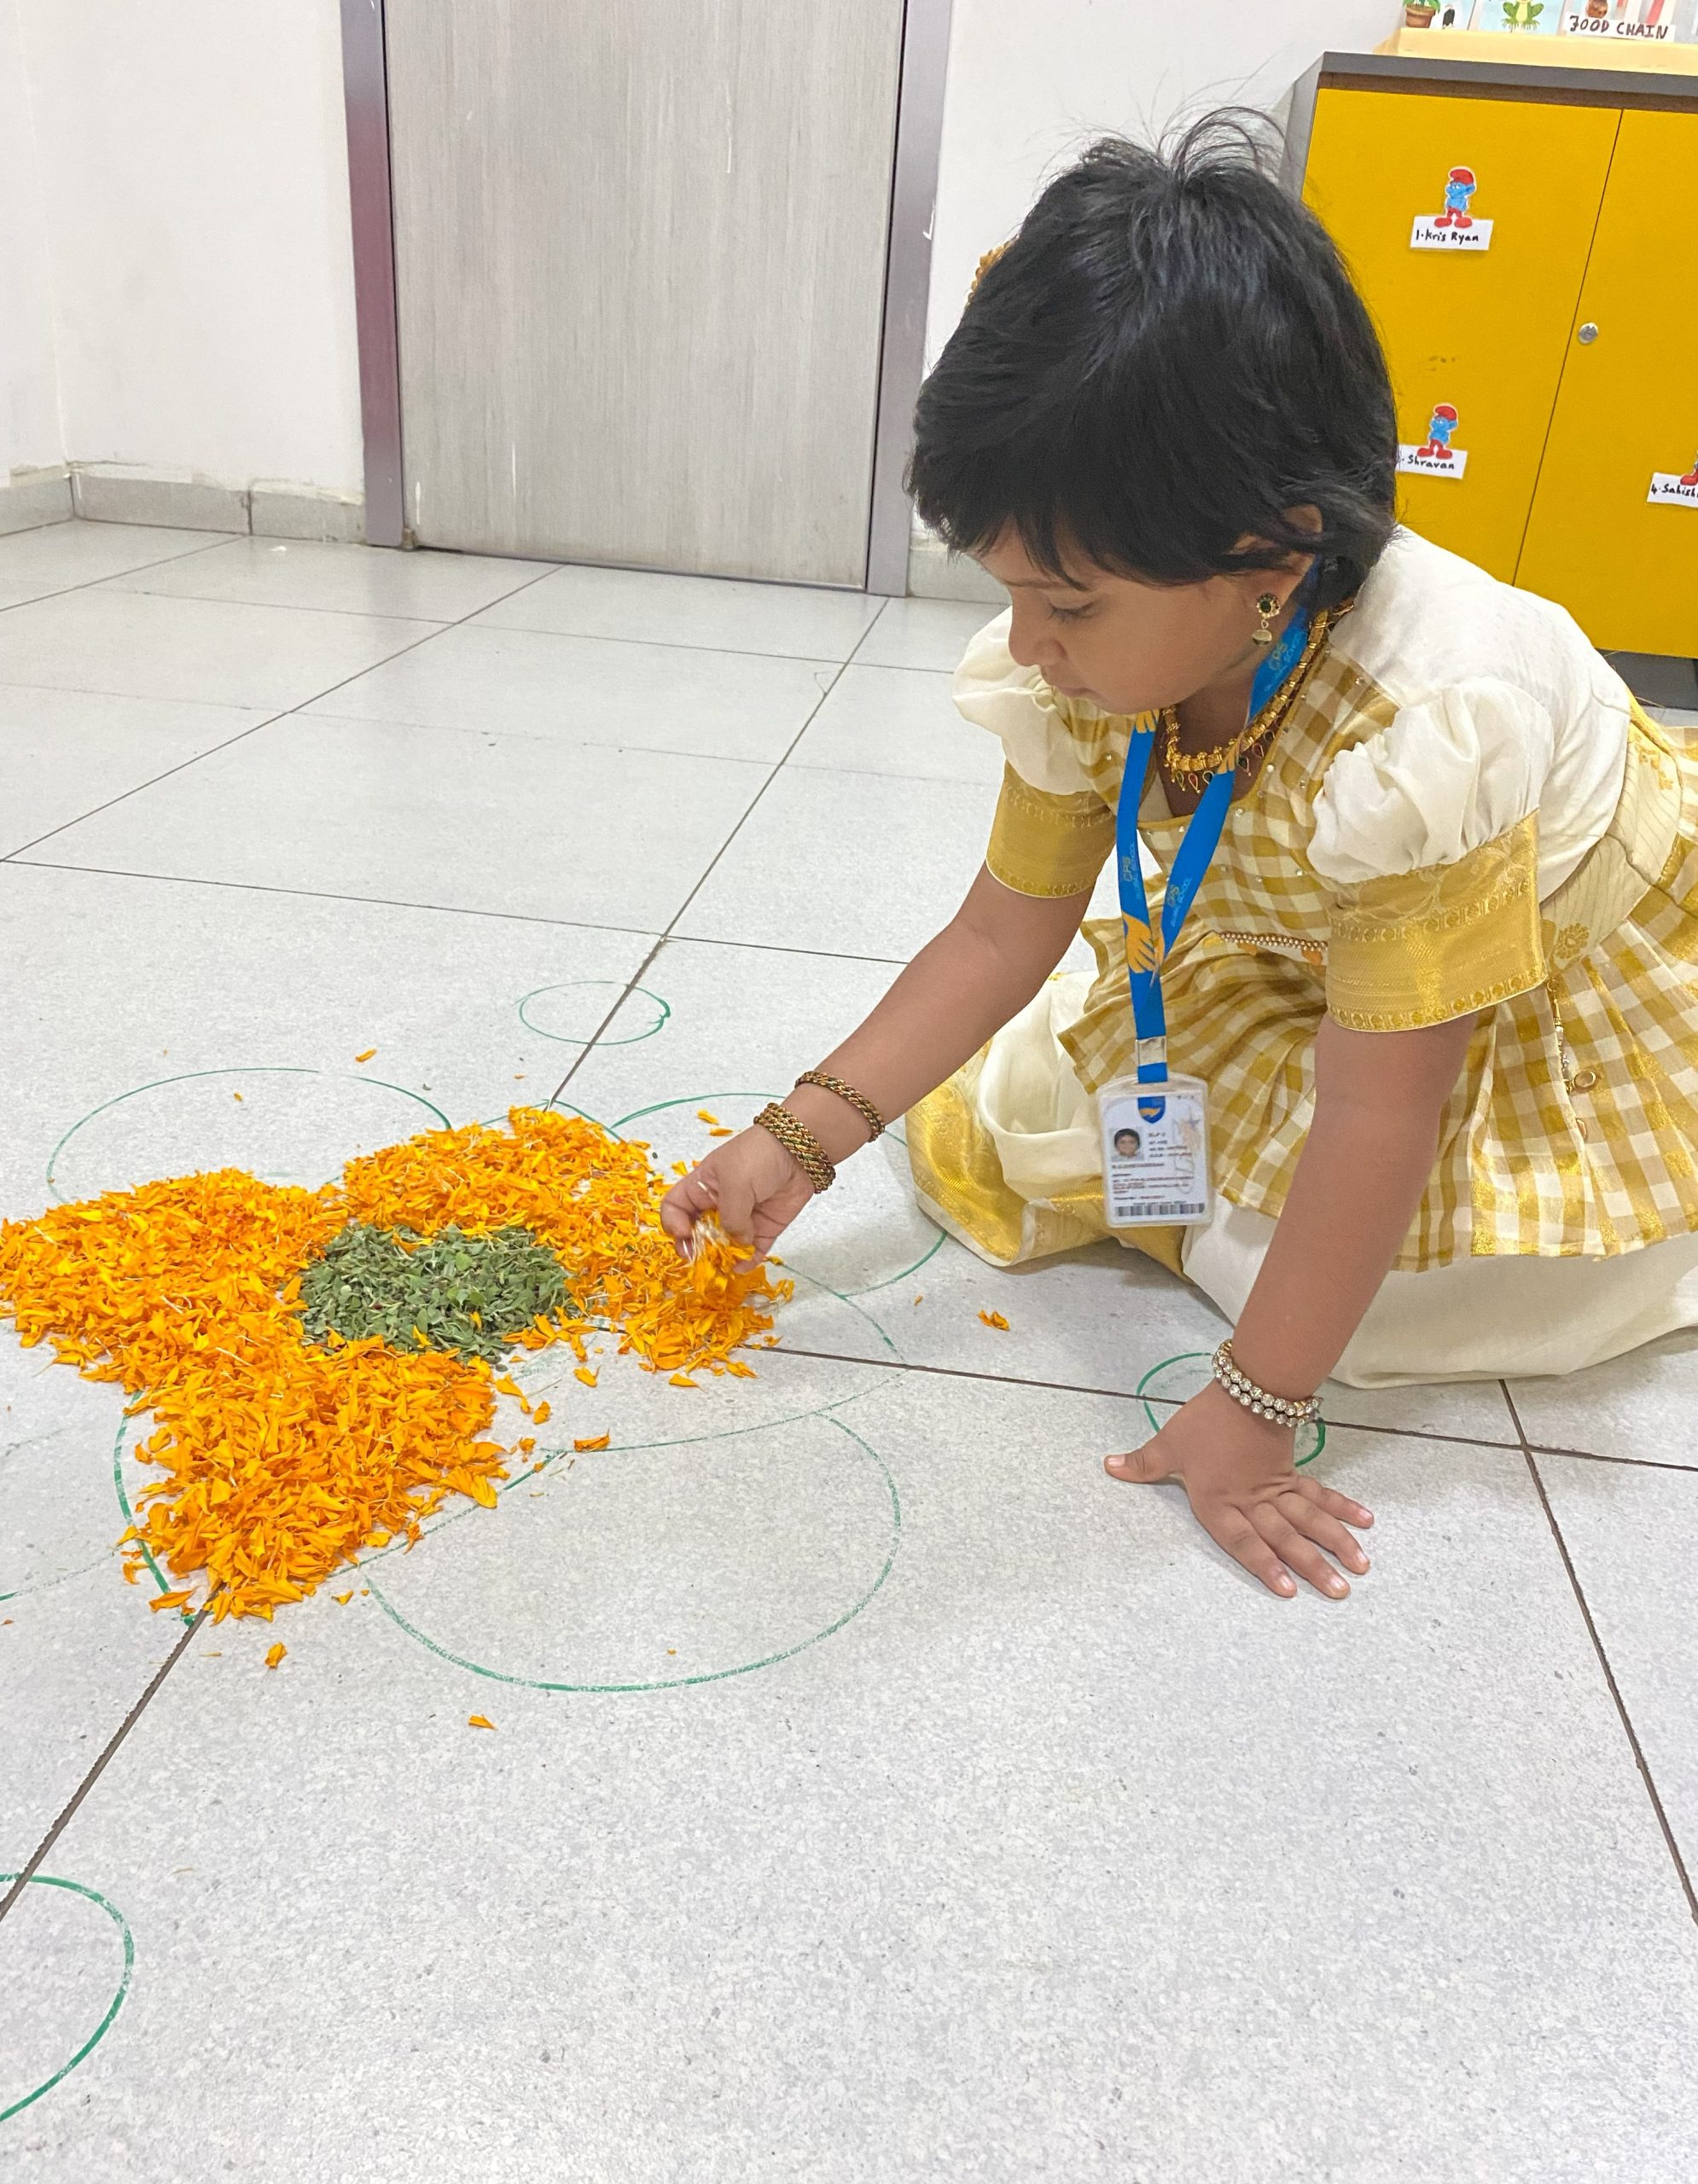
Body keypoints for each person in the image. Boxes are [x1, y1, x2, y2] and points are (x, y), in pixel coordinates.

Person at [660, 121, 1698, 1603]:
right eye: (1007, 593)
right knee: (1037, 1118)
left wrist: (1257, 1415)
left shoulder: (1429, 733)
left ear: (1271, 561)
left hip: (1535, 987)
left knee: (1395, 1306)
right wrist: (801, 1136)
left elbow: (1383, 1103)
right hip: (1306, 959)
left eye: (1067, 605)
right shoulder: (1097, 668)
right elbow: (998, 934)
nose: (1026, 647)